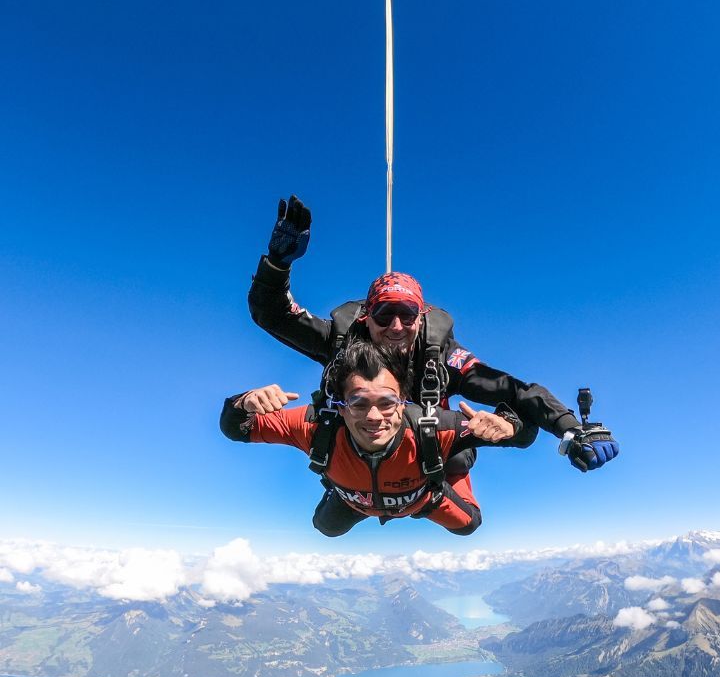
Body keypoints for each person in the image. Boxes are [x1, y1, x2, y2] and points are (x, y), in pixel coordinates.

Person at [247, 195, 619, 475]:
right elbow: (273, 315)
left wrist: (572, 431)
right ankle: (357, 494)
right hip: (360, 456)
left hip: (426, 456)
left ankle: (425, 492)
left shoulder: (440, 357)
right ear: (366, 318)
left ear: (420, 318)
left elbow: (516, 391)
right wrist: (277, 264)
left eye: (406, 315)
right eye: (384, 314)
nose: (395, 326)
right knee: (329, 519)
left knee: (471, 459)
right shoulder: (343, 342)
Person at [220, 341, 535, 537]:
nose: (373, 417)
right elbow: (236, 429)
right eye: (358, 403)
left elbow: (524, 436)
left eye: (386, 402)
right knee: (325, 528)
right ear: (340, 407)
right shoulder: (314, 426)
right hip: (356, 499)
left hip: (422, 497)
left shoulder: (435, 426)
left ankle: (449, 468)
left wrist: (509, 425)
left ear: (403, 402)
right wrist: (242, 402)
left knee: (469, 525)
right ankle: (385, 494)